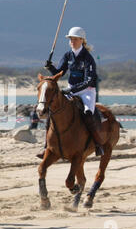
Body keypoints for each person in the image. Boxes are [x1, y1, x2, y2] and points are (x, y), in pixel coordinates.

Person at [37, 26, 104, 159]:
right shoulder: (68, 55)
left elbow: (89, 81)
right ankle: (46, 147)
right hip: (71, 89)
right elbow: (59, 73)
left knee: (88, 113)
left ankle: (98, 145)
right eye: (70, 39)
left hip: (86, 92)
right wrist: (50, 68)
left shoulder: (88, 58)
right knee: (52, 112)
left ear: (81, 40)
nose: (72, 41)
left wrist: (71, 90)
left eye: (74, 39)